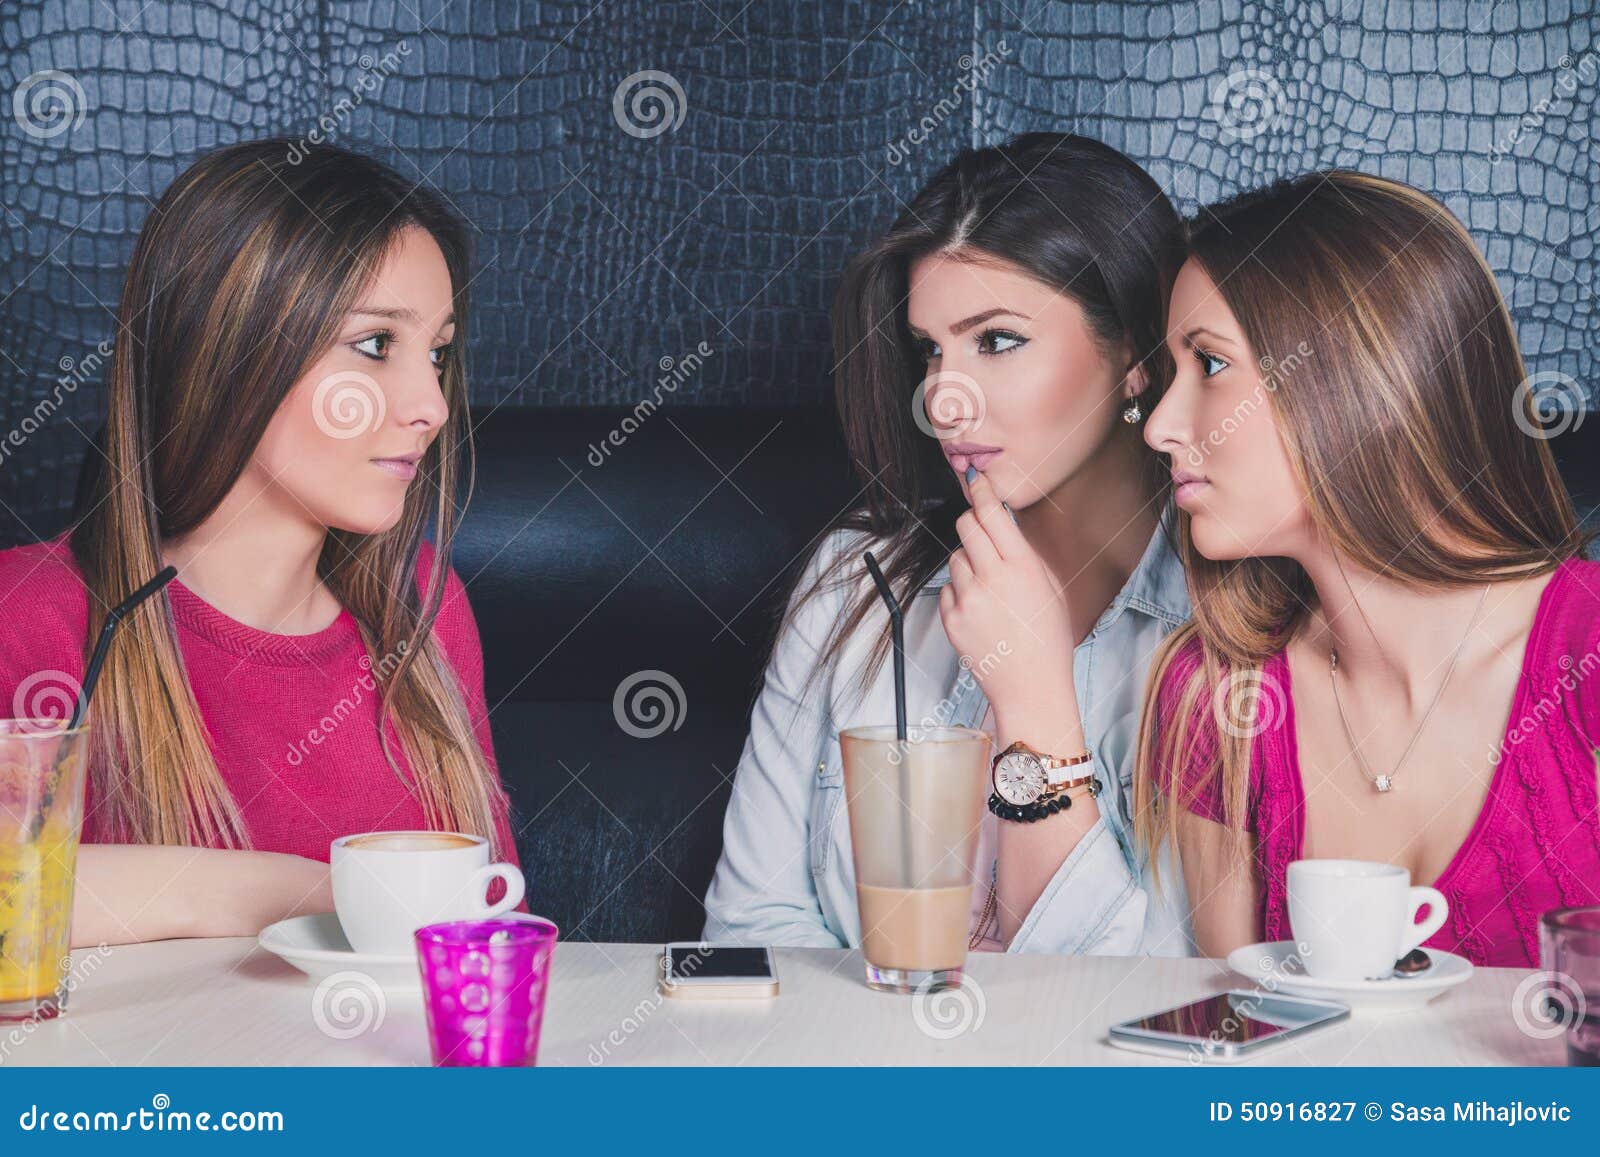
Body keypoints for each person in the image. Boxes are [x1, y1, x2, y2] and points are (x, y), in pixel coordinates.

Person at [0, 139, 523, 947]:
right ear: (232, 351)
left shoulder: (424, 605)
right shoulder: (31, 614)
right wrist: (302, 890)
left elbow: (490, 941)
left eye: (439, 352)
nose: (432, 405)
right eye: (377, 344)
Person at [705, 133, 1195, 955]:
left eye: (997, 341)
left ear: (1137, 355)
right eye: (931, 350)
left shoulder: (1227, 624)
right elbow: (748, 931)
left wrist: (1032, 696)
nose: (944, 402)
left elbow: (1156, 1000)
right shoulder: (851, 587)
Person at [1134, 170, 1600, 967]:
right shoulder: (1216, 701)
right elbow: (1249, 1039)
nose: (1160, 427)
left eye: (1209, 365)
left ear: (1354, 379)